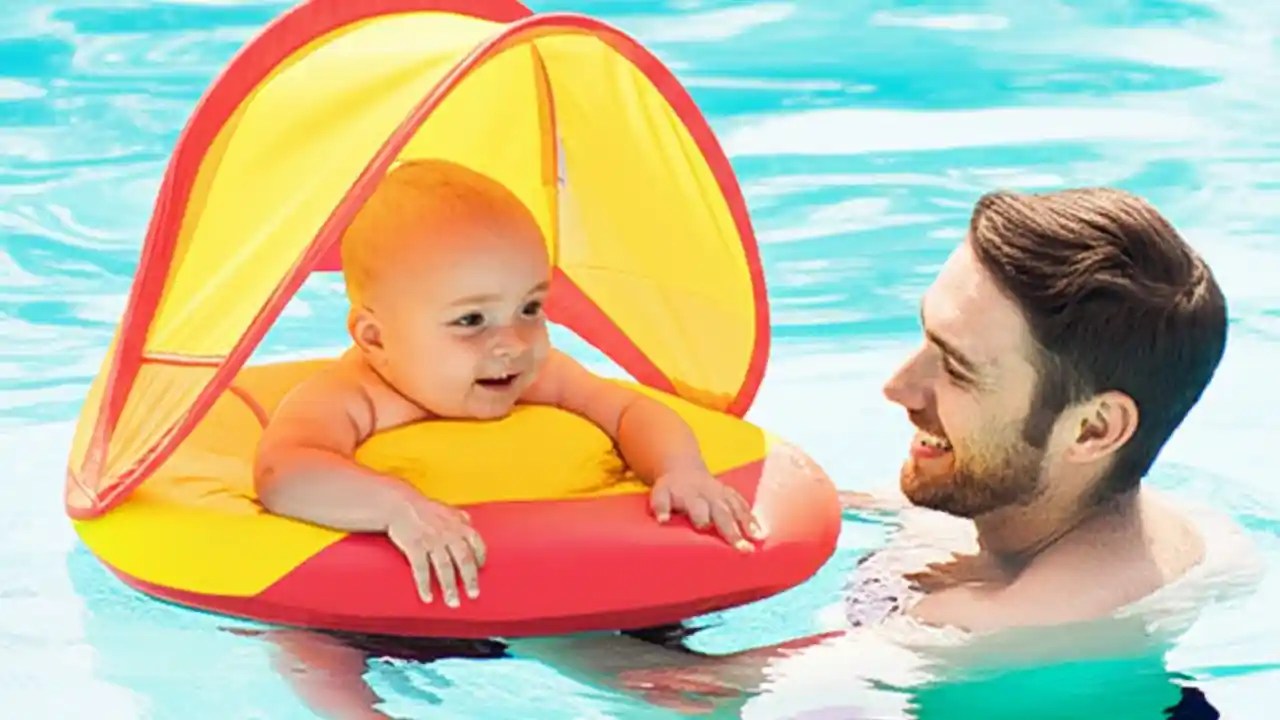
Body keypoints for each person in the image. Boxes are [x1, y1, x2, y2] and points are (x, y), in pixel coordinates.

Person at [252, 158, 765, 610]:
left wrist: (681, 470)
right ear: (374, 337)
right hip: (388, 599)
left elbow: (629, 410)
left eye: (530, 308)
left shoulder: (538, 375)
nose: (513, 344)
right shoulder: (351, 397)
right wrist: (397, 508)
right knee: (315, 654)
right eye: (471, 320)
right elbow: (285, 471)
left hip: (553, 577)